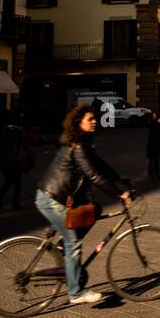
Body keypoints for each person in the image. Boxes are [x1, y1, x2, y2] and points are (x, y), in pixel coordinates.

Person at [35, 105, 134, 306]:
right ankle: (76, 293)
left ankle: (65, 244)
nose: (95, 121)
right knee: (74, 243)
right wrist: (119, 194)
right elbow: (94, 175)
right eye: (90, 119)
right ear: (78, 123)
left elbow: (100, 166)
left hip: (62, 198)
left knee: (94, 210)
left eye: (94, 118)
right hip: (52, 199)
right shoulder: (78, 146)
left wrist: (120, 179)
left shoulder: (84, 144)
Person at [0, 112, 29, 210]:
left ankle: (0, 199)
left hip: (4, 160)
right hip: (15, 160)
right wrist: (25, 162)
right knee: (16, 182)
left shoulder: (3, 131)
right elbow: (23, 148)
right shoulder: (20, 132)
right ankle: (14, 203)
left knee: (9, 180)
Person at [145, 110, 160, 178]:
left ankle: (155, 173)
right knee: (153, 160)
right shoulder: (154, 123)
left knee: (155, 160)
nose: (153, 115)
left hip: (155, 145)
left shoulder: (156, 123)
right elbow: (147, 125)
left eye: (154, 114)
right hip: (153, 145)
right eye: (153, 114)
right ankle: (153, 174)